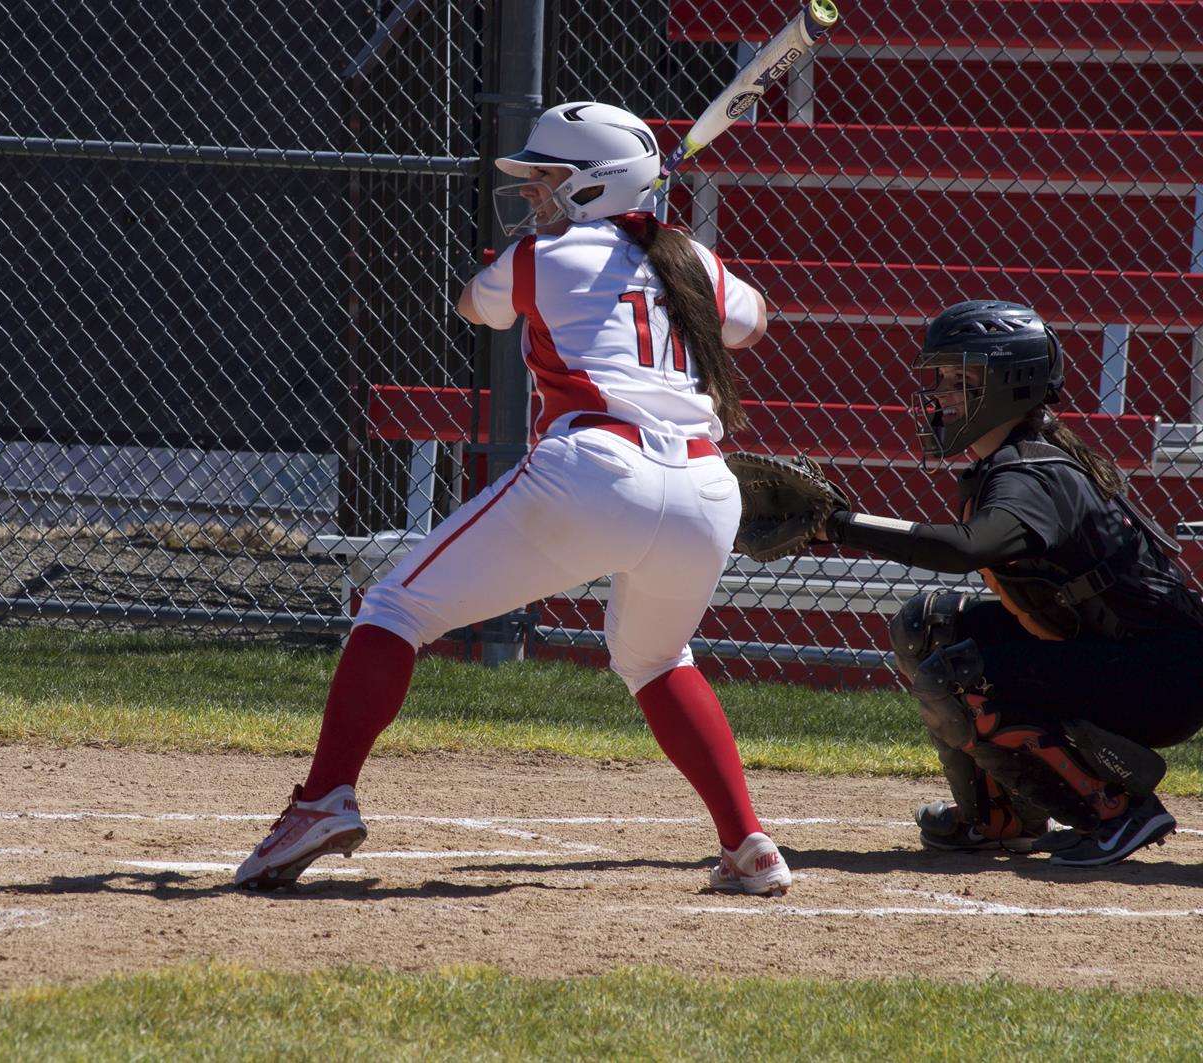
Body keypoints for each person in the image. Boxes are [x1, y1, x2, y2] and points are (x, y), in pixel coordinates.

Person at [235, 101, 791, 895]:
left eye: (549, 181)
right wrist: (658, 241)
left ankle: (324, 796)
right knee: (658, 658)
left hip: (597, 468)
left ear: (596, 187)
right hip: (706, 490)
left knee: (393, 609)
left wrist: (622, 246)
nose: (534, 197)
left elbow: (474, 304)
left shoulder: (544, 256)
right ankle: (749, 843)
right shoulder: (690, 260)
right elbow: (756, 322)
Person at [816, 299, 1203, 867]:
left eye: (962, 379)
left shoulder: (1031, 471)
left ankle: (1115, 810)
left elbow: (967, 547)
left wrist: (842, 526)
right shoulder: (1013, 458)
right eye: (942, 378)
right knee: (929, 629)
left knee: (960, 673)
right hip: (1119, 655)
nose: (943, 393)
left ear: (1009, 385)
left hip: (1162, 678)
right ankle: (998, 818)